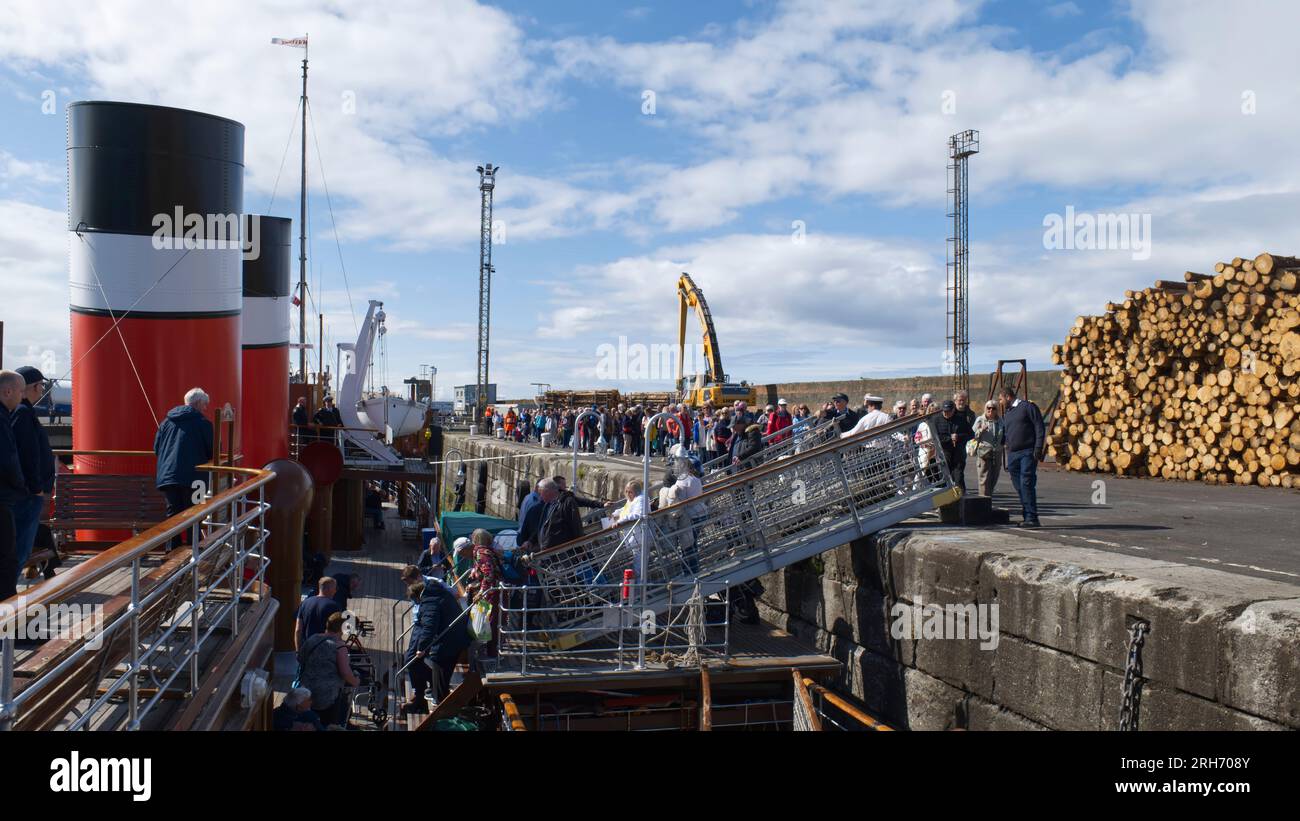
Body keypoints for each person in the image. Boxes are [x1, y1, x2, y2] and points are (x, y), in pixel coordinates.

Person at [10, 367, 54, 580]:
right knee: (19, 552)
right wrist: (37, 488)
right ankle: (7, 601)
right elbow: (27, 453)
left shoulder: (21, 412)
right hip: (28, 495)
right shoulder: (23, 413)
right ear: (33, 387)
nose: (42, 391)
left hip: (26, 492)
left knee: (20, 549)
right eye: (40, 386)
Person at [402, 576, 470, 713]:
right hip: (456, 637)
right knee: (440, 670)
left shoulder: (430, 602)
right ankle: (435, 695)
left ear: (418, 595)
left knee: (434, 666)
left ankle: (440, 707)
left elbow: (429, 627)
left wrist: (421, 648)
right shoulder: (438, 592)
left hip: (450, 641)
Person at [153, 388, 214, 529]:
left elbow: (157, 448)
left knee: (172, 515)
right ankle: (195, 548)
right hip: (196, 477)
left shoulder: (166, 423)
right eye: (205, 404)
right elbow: (212, 451)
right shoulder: (203, 423)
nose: (205, 408)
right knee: (197, 514)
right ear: (198, 403)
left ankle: (172, 549)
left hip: (169, 476)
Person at [296, 611, 359, 728]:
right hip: (327, 696)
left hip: (306, 693)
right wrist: (355, 681)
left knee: (307, 724)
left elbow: (300, 658)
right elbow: (345, 673)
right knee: (328, 725)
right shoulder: (339, 646)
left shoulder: (313, 638)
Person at [0, 370, 29, 600]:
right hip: (3, 499)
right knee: (7, 559)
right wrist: (22, 487)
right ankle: (9, 623)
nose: (22, 396)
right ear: (7, 391)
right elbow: (9, 459)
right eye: (20, 391)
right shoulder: (2, 419)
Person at [1000, 386, 1045, 528]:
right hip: (1013, 454)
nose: (1000, 402)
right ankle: (1027, 514)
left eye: (1000, 399)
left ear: (1008, 397)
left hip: (1027, 451)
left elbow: (1039, 426)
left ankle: (1032, 517)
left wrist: (1038, 447)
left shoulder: (1027, 407)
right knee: (1019, 486)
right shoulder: (1008, 412)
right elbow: (1007, 432)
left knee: (1026, 483)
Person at [934, 399, 974, 492]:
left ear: (953, 410)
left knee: (958, 476)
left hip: (958, 452)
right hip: (944, 453)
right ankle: (943, 500)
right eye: (944, 411)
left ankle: (961, 498)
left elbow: (971, 434)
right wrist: (949, 438)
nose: (946, 413)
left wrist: (959, 437)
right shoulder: (937, 420)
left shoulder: (961, 419)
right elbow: (935, 437)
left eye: (948, 411)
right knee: (944, 477)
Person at [295, 577, 342, 649]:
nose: (335, 591)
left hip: (307, 648)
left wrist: (298, 651)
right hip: (324, 650)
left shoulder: (305, 603)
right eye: (334, 588)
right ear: (328, 589)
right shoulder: (334, 606)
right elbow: (337, 633)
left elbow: (298, 630)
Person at [538, 479, 585, 549]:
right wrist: (531, 540)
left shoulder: (567, 502)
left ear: (548, 492)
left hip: (563, 551)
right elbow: (543, 525)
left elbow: (576, 525)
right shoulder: (547, 505)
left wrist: (579, 548)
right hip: (548, 550)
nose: (540, 497)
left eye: (541, 493)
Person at [972, 399, 1005, 497]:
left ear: (997, 410)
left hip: (997, 452)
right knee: (984, 479)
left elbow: (1004, 434)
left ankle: (988, 498)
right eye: (988, 408)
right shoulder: (980, 420)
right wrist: (981, 430)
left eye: (993, 408)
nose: (991, 410)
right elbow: (972, 435)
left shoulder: (1000, 421)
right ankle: (983, 501)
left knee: (994, 477)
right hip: (984, 452)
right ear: (985, 409)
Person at [517, 478, 558, 550]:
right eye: (541, 491)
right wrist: (531, 541)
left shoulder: (527, 497)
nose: (541, 496)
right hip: (532, 543)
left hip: (524, 538)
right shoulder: (537, 503)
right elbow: (536, 526)